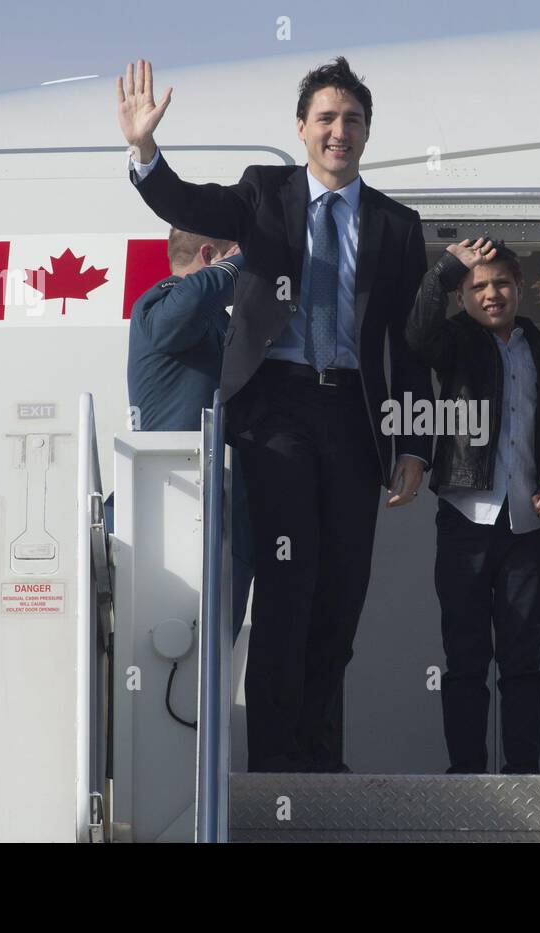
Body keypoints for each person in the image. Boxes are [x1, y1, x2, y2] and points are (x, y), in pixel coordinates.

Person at [116, 57, 434, 772]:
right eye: (325, 118)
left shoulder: (397, 225)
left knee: (342, 592)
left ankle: (320, 762)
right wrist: (145, 152)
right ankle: (279, 767)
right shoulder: (265, 194)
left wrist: (414, 440)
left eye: (352, 119)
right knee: (290, 588)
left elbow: (407, 345)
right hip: (276, 410)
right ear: (301, 129)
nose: (339, 130)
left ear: (367, 132)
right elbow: (189, 203)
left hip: (354, 416)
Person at [406, 238, 540, 774]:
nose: (490, 294)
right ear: (462, 299)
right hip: (465, 521)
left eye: (500, 283)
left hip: (528, 526)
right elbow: (416, 333)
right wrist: (448, 267)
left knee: (523, 662)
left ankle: (523, 774)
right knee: (465, 660)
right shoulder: (453, 342)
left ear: (520, 288)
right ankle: (466, 775)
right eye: (477, 287)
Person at [125, 227, 253, 637]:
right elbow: (189, 303)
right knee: (181, 647)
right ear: (209, 256)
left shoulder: (211, 319)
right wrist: (244, 259)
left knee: (211, 648)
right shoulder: (162, 303)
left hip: (208, 505)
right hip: (176, 505)